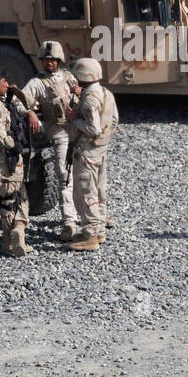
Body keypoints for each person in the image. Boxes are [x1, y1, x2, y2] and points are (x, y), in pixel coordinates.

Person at [0, 65, 43, 257]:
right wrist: (11, 144)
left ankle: (13, 238)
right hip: (2, 158)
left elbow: (25, 104)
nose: (7, 84)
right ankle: (14, 236)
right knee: (12, 198)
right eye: (4, 82)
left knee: (13, 197)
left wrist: (14, 92)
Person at [22, 41, 81, 241]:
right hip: (58, 131)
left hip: (78, 129)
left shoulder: (69, 77)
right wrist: (29, 112)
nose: (49, 63)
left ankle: (94, 215)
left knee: (87, 172)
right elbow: (18, 100)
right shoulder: (37, 83)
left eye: (53, 60)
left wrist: (80, 92)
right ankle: (69, 223)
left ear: (59, 61)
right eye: (46, 60)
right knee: (64, 176)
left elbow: (81, 96)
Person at [64, 57, 119, 252]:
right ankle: (99, 230)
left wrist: (74, 119)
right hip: (101, 150)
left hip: (86, 151)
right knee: (99, 190)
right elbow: (114, 121)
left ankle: (91, 235)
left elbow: (92, 128)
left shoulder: (89, 99)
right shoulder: (106, 93)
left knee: (84, 192)